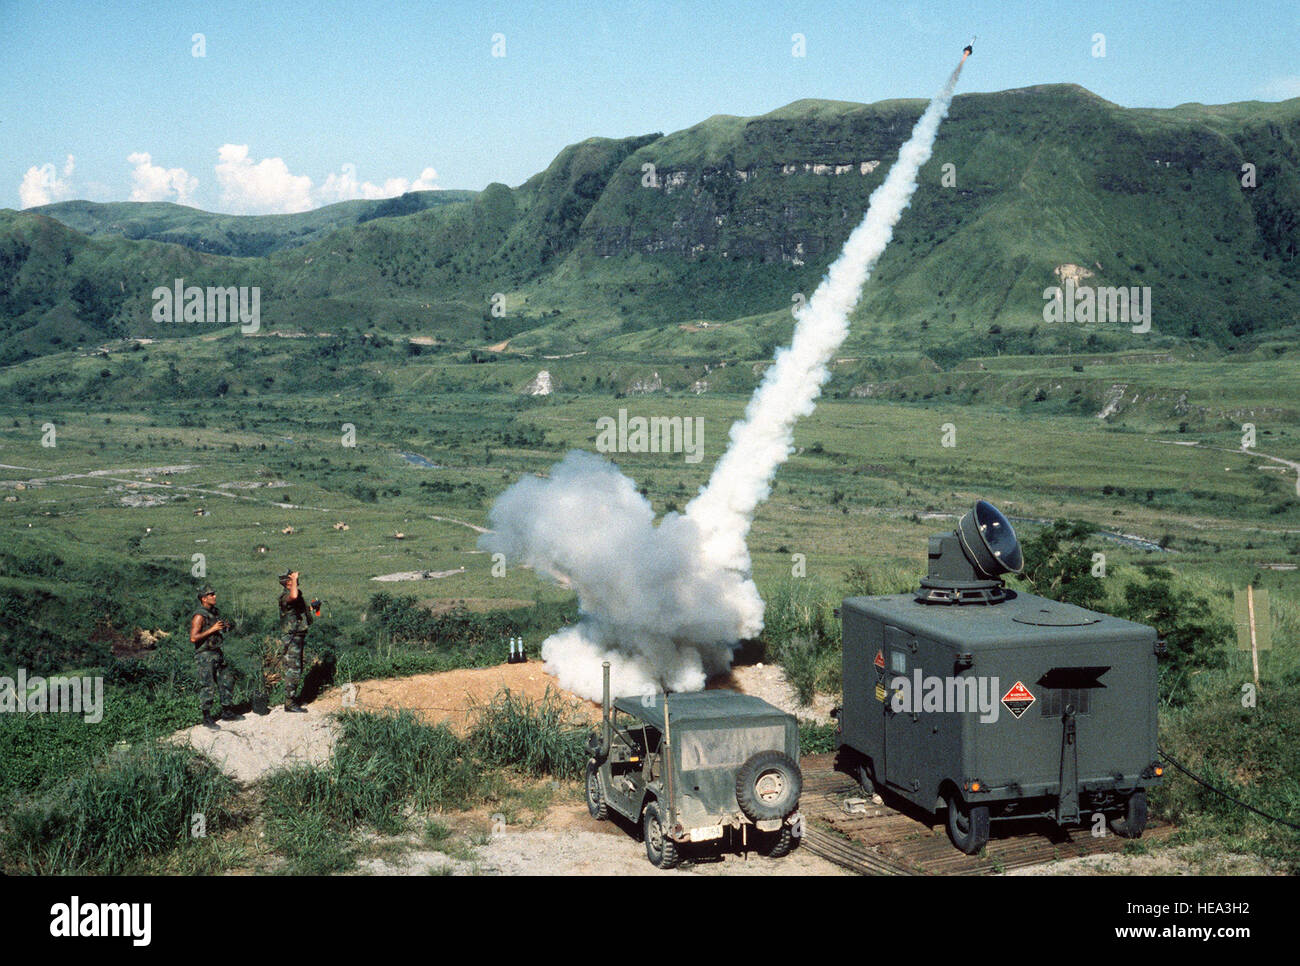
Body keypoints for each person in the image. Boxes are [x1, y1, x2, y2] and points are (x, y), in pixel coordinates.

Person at [190, 586, 240, 728]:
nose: (214, 596)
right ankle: (207, 717)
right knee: (207, 685)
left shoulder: (214, 613)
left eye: (214, 594)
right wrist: (212, 629)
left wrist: (224, 627)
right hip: (205, 655)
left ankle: (226, 711)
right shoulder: (199, 616)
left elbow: (217, 630)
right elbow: (193, 638)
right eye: (211, 595)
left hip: (217, 652)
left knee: (227, 680)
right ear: (203, 598)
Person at [278, 570, 312, 712]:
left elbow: (298, 610)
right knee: (293, 669)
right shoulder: (286, 596)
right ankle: (290, 703)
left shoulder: (295, 596)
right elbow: (293, 595)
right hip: (291, 636)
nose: (297, 581)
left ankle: (292, 699)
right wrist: (294, 579)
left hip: (297, 635)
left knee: (297, 667)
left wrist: (311, 608)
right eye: (293, 579)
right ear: (288, 583)